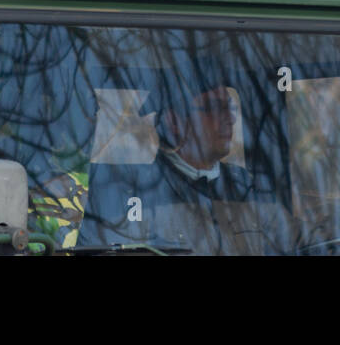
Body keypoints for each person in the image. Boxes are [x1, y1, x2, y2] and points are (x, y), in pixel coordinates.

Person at [79, 80, 298, 254]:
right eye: (214, 108)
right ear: (174, 122)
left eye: (229, 108)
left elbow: (294, 243)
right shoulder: (129, 191)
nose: (230, 118)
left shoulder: (252, 187)